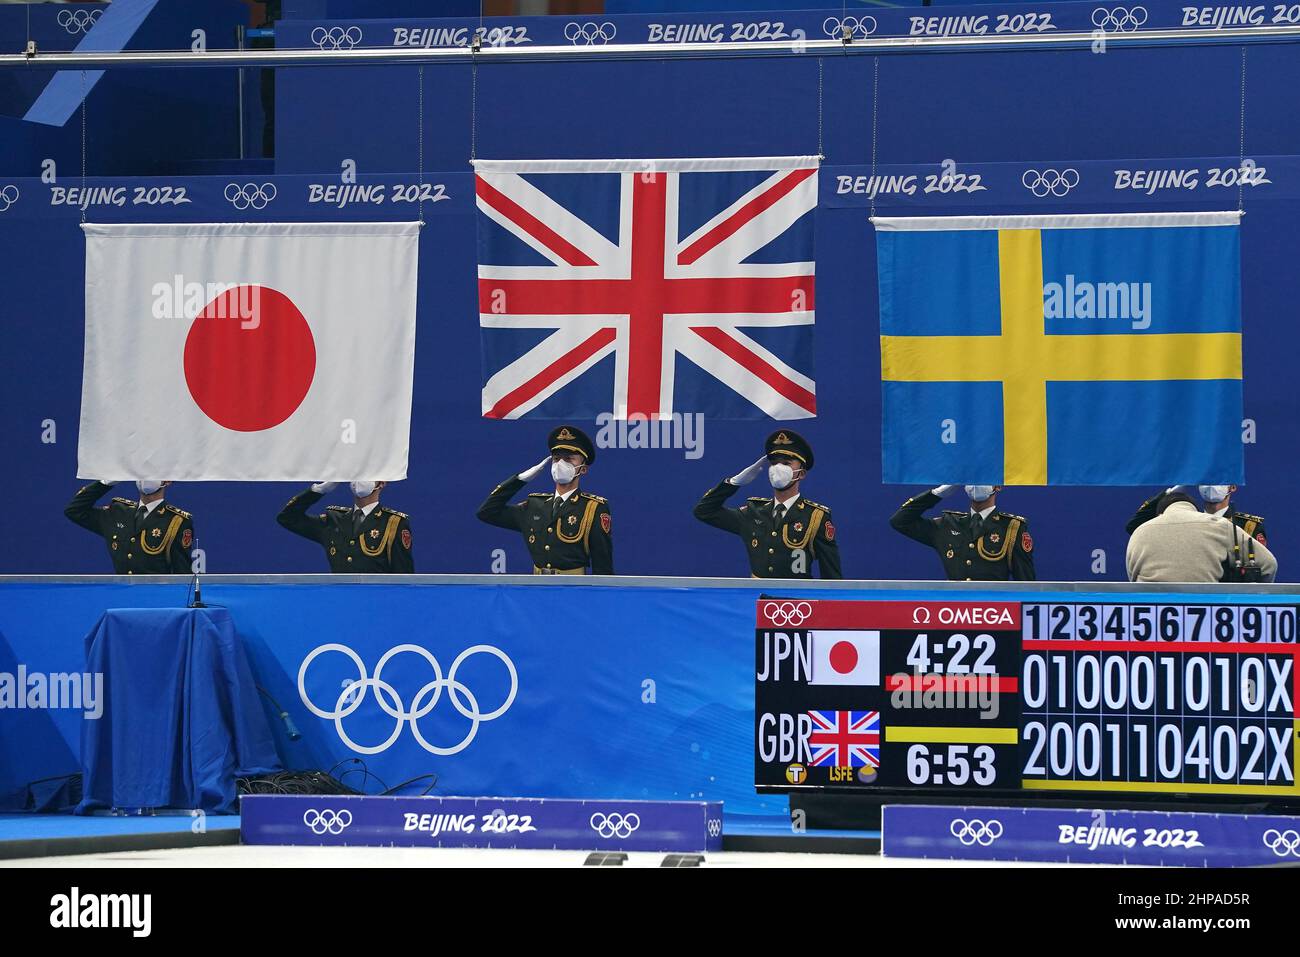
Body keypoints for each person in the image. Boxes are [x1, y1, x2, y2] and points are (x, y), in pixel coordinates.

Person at [693, 430, 841, 579]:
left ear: (801, 473)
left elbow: (832, 576)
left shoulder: (815, 516)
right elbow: (704, 512)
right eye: (774, 463)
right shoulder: (753, 512)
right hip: (758, 598)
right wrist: (733, 483)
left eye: (786, 463)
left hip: (797, 600)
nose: (778, 468)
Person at [476, 426, 613, 575]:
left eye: (568, 459)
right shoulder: (534, 505)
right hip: (537, 589)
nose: (561, 464)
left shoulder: (592, 508)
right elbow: (487, 512)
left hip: (573, 590)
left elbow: (603, 566)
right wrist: (520, 480)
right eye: (556, 459)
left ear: (583, 469)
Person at [890, 485, 1035, 581]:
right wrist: (936, 494)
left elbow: (1026, 584)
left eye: (983, 478)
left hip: (994, 614)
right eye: (971, 478)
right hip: (954, 612)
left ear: (997, 486)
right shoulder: (947, 524)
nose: (976, 484)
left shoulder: (1012, 528)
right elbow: (900, 522)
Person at [1127, 491, 1276, 583]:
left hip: (1150, 613)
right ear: (1194, 510)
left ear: (1160, 514)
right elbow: (1269, 565)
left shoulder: (1140, 531)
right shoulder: (1220, 525)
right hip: (1208, 612)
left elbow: (1133, 577)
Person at [277, 481, 413, 573]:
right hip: (339, 601)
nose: (360, 479)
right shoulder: (334, 520)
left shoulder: (393, 523)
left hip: (375, 604)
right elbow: (287, 518)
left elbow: (403, 577)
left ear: (382, 483)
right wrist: (317, 490)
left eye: (367, 473)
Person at [64, 480, 195, 575]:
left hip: (155, 600)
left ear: (167, 480)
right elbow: (74, 511)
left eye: (152, 472)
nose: (145, 477)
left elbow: (181, 573)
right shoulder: (118, 512)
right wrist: (105, 482)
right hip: (121, 597)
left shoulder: (176, 520)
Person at [1126, 484, 1267, 545]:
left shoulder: (1249, 526)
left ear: (1233, 487)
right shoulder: (1185, 521)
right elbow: (1134, 526)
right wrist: (1174, 490)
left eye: (1219, 479)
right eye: (1206, 479)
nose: (1212, 485)